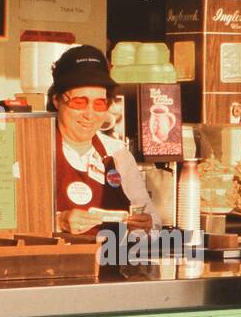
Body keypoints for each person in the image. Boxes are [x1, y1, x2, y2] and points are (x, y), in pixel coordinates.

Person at [48, 45, 159, 235]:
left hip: (110, 261)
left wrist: (145, 226)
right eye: (79, 102)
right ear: (57, 100)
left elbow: (154, 223)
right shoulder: (34, 148)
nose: (89, 114)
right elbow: (5, 221)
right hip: (50, 262)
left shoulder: (117, 154)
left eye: (99, 104)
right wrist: (57, 222)